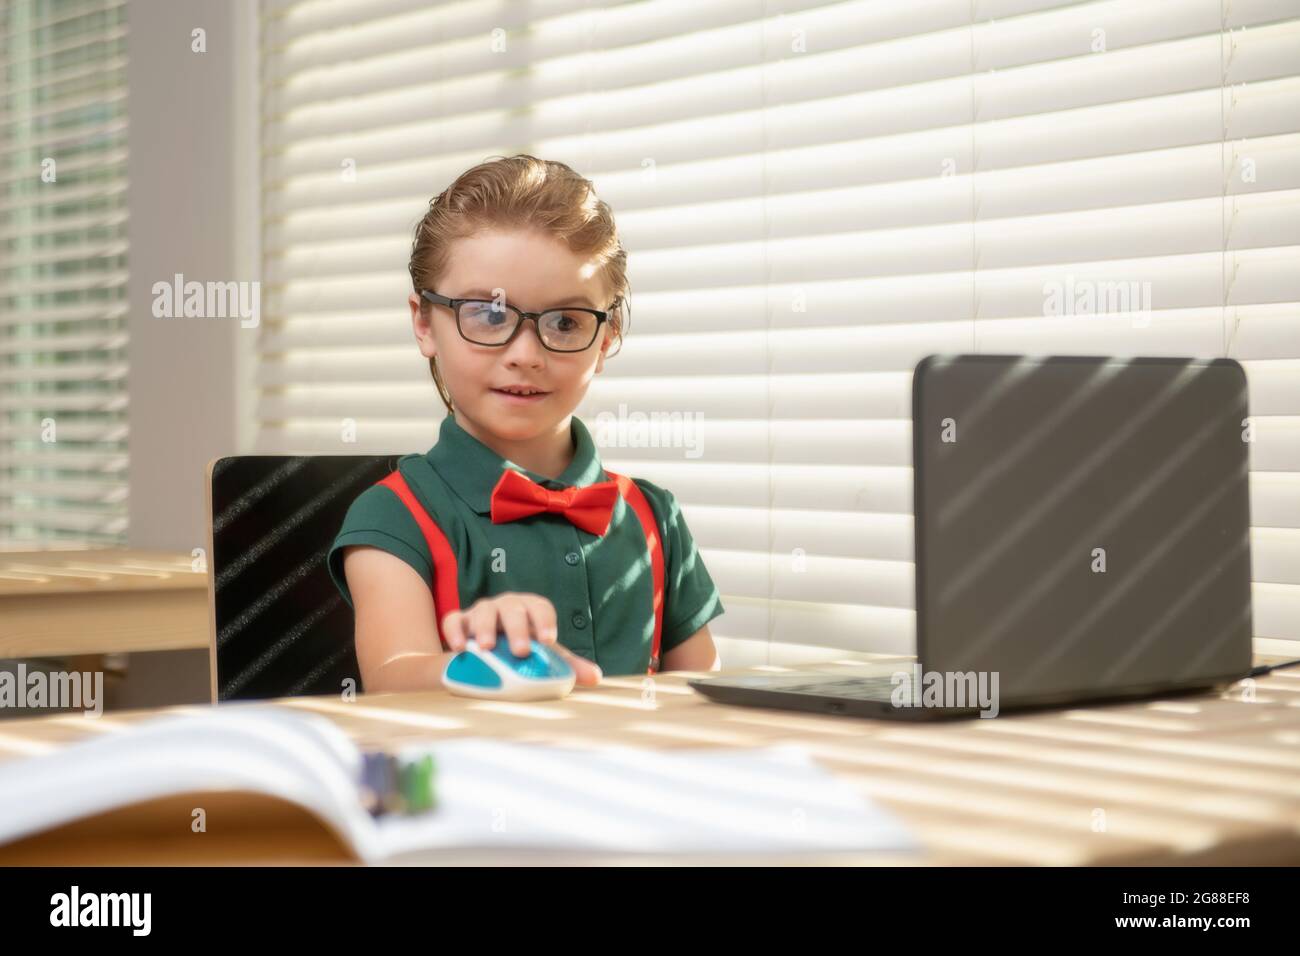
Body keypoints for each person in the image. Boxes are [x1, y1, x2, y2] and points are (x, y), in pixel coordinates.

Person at [327, 155, 725, 693]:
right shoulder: (393, 516)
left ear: (607, 339)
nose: (526, 354)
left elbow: (703, 699)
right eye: (489, 314)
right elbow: (392, 679)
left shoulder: (655, 515)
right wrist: (487, 658)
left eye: (565, 322)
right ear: (424, 323)